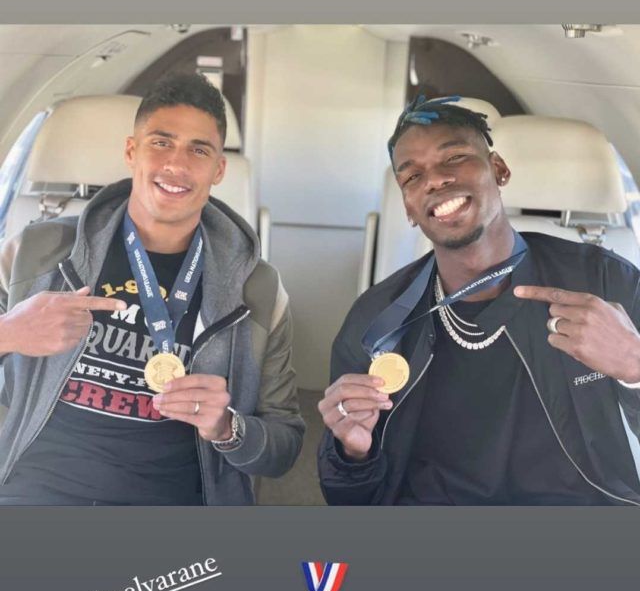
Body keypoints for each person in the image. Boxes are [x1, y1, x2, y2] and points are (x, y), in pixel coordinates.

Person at [318, 97, 640, 506]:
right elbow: (348, 499)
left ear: (499, 169)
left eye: (454, 157)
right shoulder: (377, 322)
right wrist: (352, 453)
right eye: (412, 177)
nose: (434, 180)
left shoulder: (607, 283)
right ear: (410, 208)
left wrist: (634, 367)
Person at [0, 74, 304, 504]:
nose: (177, 165)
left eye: (199, 150)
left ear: (219, 169)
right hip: (38, 491)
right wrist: (9, 332)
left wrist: (227, 428)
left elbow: (284, 447)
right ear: (131, 151)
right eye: (161, 142)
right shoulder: (36, 254)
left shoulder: (257, 290)